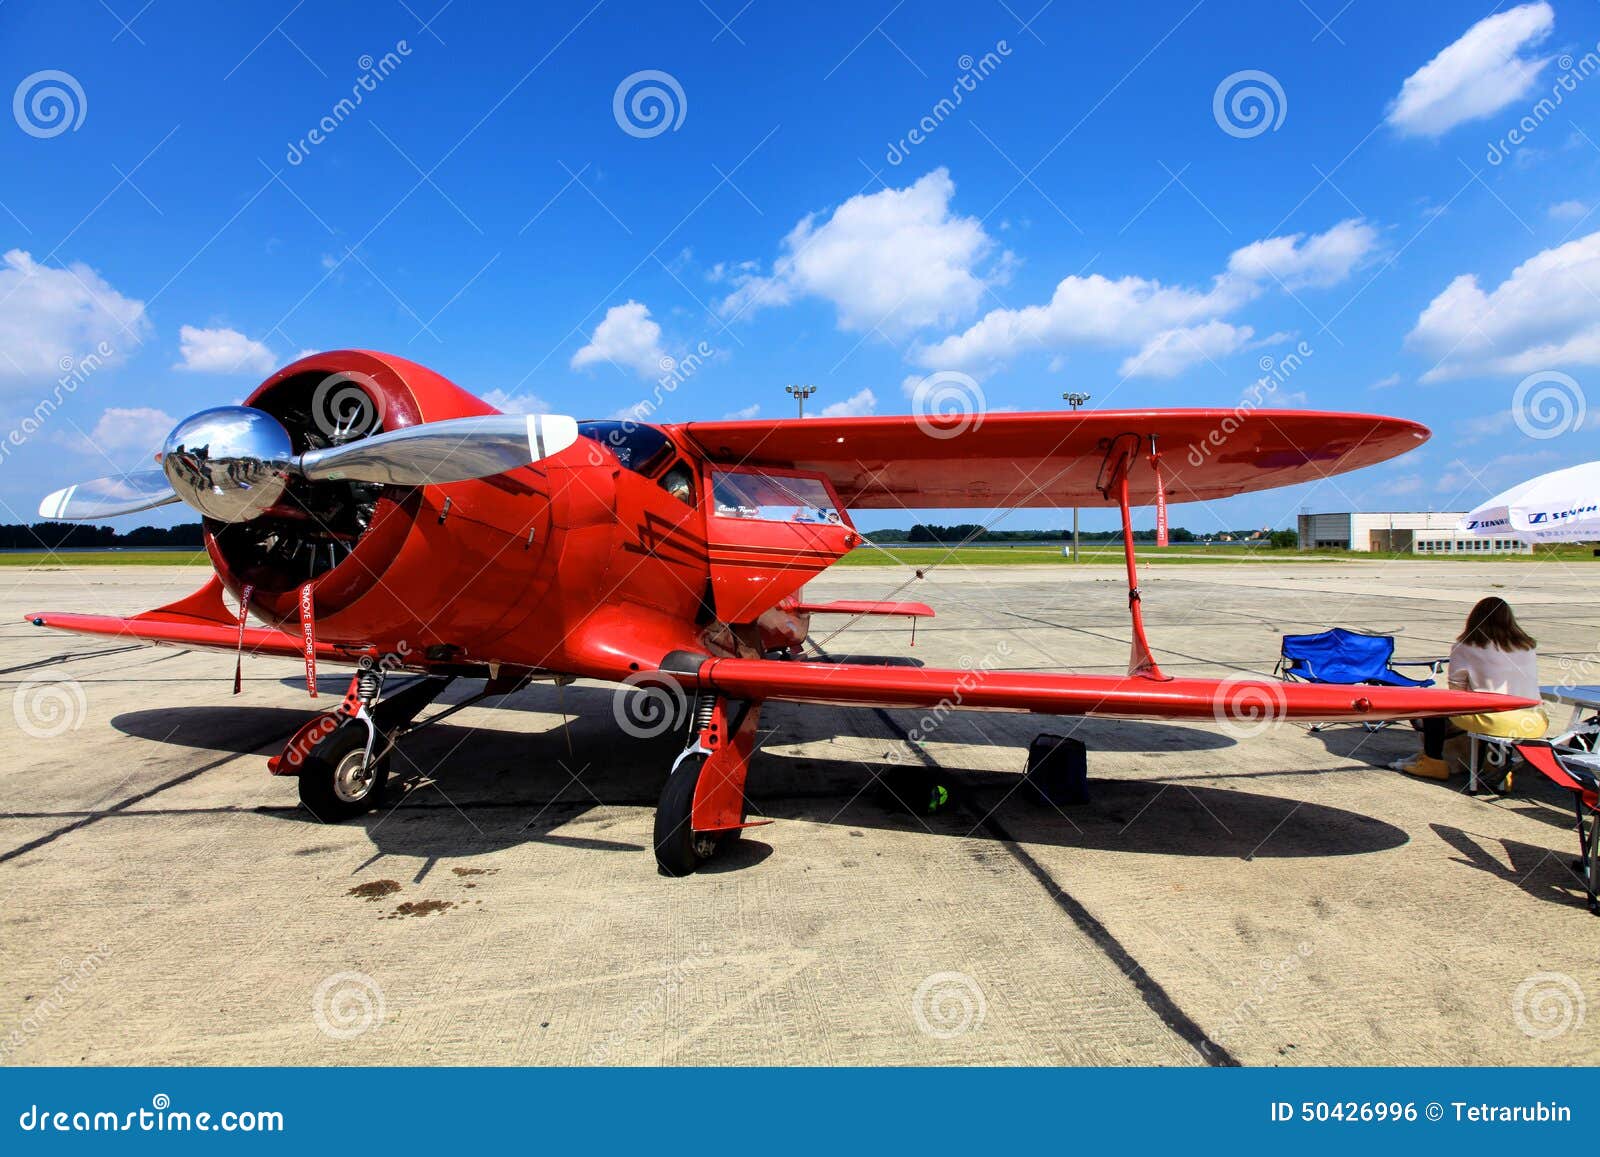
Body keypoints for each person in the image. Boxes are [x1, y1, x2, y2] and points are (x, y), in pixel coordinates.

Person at [1391, 597, 1548, 780]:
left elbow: (1456, 691)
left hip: (1496, 719)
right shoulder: (1527, 647)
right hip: (1535, 720)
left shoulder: (1465, 647)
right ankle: (1495, 766)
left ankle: (1433, 762)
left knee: (1433, 708)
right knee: (1500, 707)